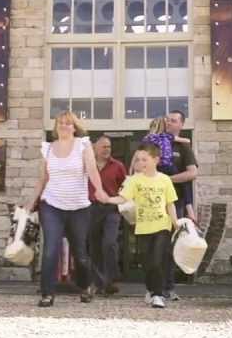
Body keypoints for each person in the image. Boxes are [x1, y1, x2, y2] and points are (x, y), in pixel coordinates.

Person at [26, 111, 111, 307]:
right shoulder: (47, 148)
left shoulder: (83, 145)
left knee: (80, 253)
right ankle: (47, 293)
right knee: (50, 250)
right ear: (56, 127)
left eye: (68, 123)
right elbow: (43, 179)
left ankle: (86, 284)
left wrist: (99, 190)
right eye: (60, 123)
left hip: (78, 207)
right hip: (51, 205)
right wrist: (31, 202)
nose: (64, 126)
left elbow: (91, 170)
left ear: (74, 127)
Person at [105, 144, 178, 309]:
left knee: (157, 261)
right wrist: (108, 199)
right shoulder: (135, 180)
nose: (141, 162)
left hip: (162, 226)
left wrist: (176, 224)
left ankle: (158, 295)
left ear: (156, 160)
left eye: (145, 159)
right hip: (143, 228)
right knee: (147, 262)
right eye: (138, 159)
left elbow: (170, 204)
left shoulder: (165, 180)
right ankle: (151, 288)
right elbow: (123, 198)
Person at [142, 110, 197, 301]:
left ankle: (169, 287)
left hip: (176, 202)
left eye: (173, 121)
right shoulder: (153, 144)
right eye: (167, 120)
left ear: (181, 125)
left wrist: (167, 180)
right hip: (153, 202)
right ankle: (153, 288)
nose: (169, 123)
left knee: (171, 246)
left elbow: (191, 174)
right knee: (154, 246)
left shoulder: (183, 147)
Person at [87, 134, 127, 295]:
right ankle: (100, 283)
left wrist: (118, 200)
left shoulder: (118, 166)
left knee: (109, 243)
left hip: (111, 209)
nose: (107, 149)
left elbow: (125, 187)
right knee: (94, 247)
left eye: (109, 146)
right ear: (94, 148)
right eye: (103, 146)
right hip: (90, 209)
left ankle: (111, 279)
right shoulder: (86, 166)